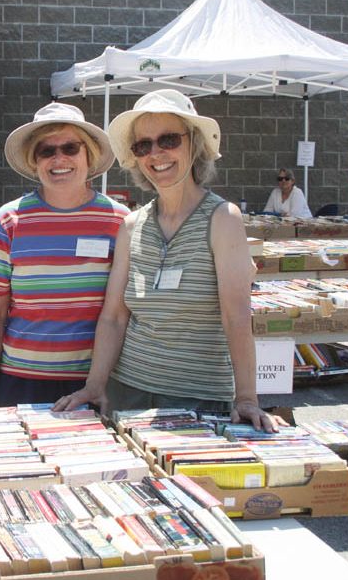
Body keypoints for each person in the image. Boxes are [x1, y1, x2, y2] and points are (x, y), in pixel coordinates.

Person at [54, 90, 279, 432]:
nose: (155, 153)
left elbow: (236, 316)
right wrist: (95, 385)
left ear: (194, 145)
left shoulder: (222, 219)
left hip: (198, 398)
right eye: (143, 146)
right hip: (127, 393)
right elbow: (114, 317)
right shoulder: (132, 225)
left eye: (168, 140)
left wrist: (247, 398)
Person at [0, 102, 130, 408]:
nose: (59, 158)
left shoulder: (120, 221)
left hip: (95, 383)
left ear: (89, 156)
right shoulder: (9, 219)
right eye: (46, 151)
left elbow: (123, 313)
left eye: (70, 148)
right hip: (20, 382)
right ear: (35, 161)